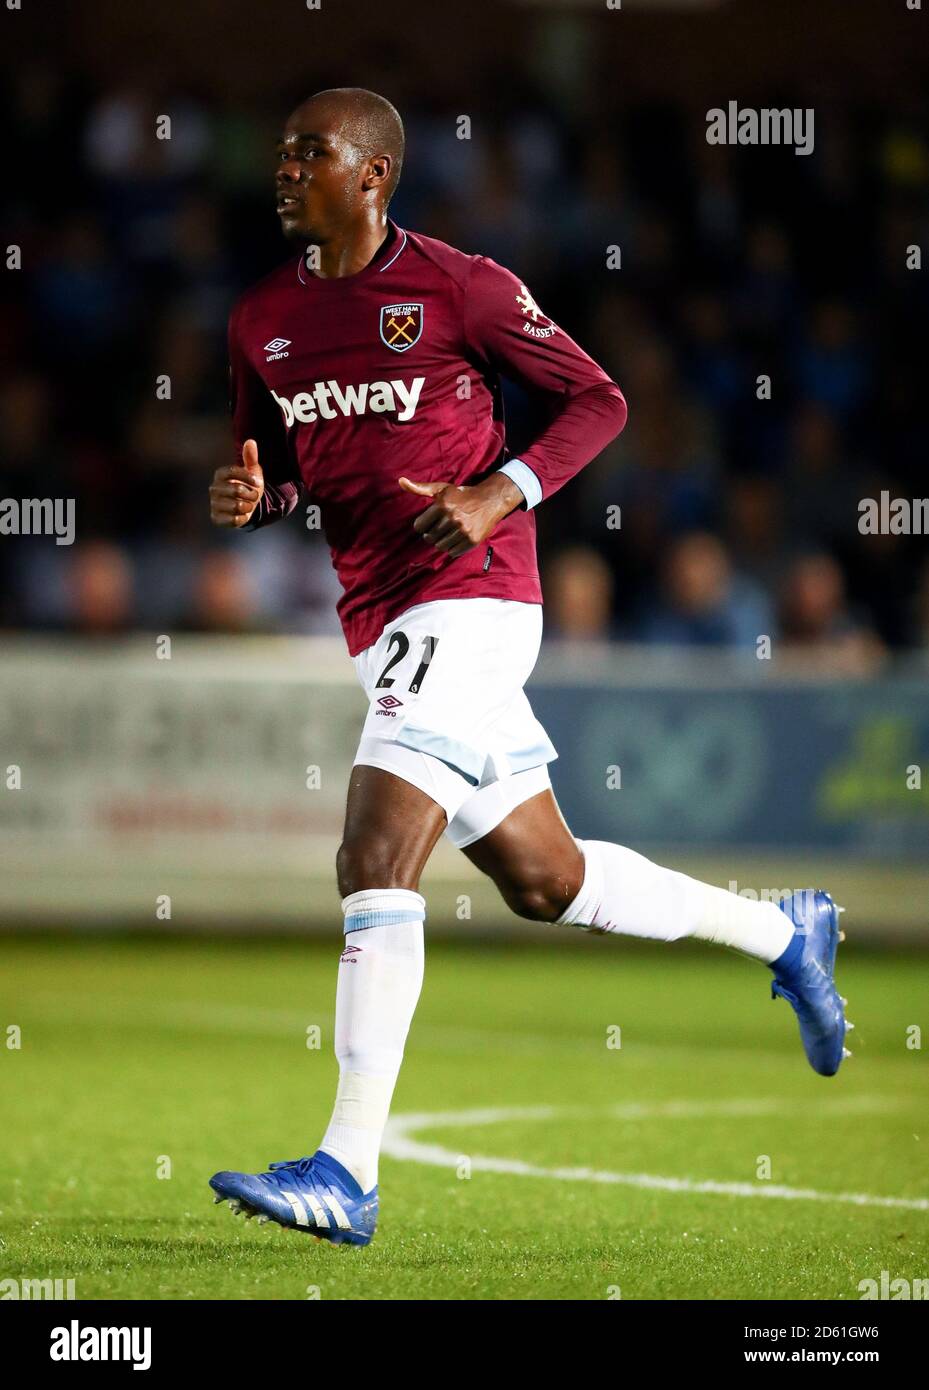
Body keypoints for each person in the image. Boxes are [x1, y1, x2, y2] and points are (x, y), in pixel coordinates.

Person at [207, 88, 849, 1247]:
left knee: (370, 851)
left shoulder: (461, 285)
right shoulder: (262, 318)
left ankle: (346, 1168)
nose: (286, 169)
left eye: (312, 153)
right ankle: (783, 933)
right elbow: (295, 462)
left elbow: (596, 400)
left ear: (374, 177)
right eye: (282, 150)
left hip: (475, 601)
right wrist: (262, 497)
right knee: (545, 880)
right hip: (379, 620)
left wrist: (500, 489)